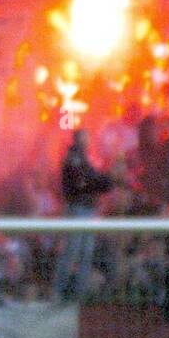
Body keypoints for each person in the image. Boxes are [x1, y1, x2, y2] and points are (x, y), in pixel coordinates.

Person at [53, 128, 116, 301]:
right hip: (79, 208)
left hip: (87, 209)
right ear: (79, 139)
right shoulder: (74, 158)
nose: (89, 140)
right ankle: (59, 291)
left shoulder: (84, 158)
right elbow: (83, 181)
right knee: (72, 250)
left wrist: (104, 181)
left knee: (85, 252)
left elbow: (92, 179)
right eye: (86, 137)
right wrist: (106, 181)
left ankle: (79, 292)